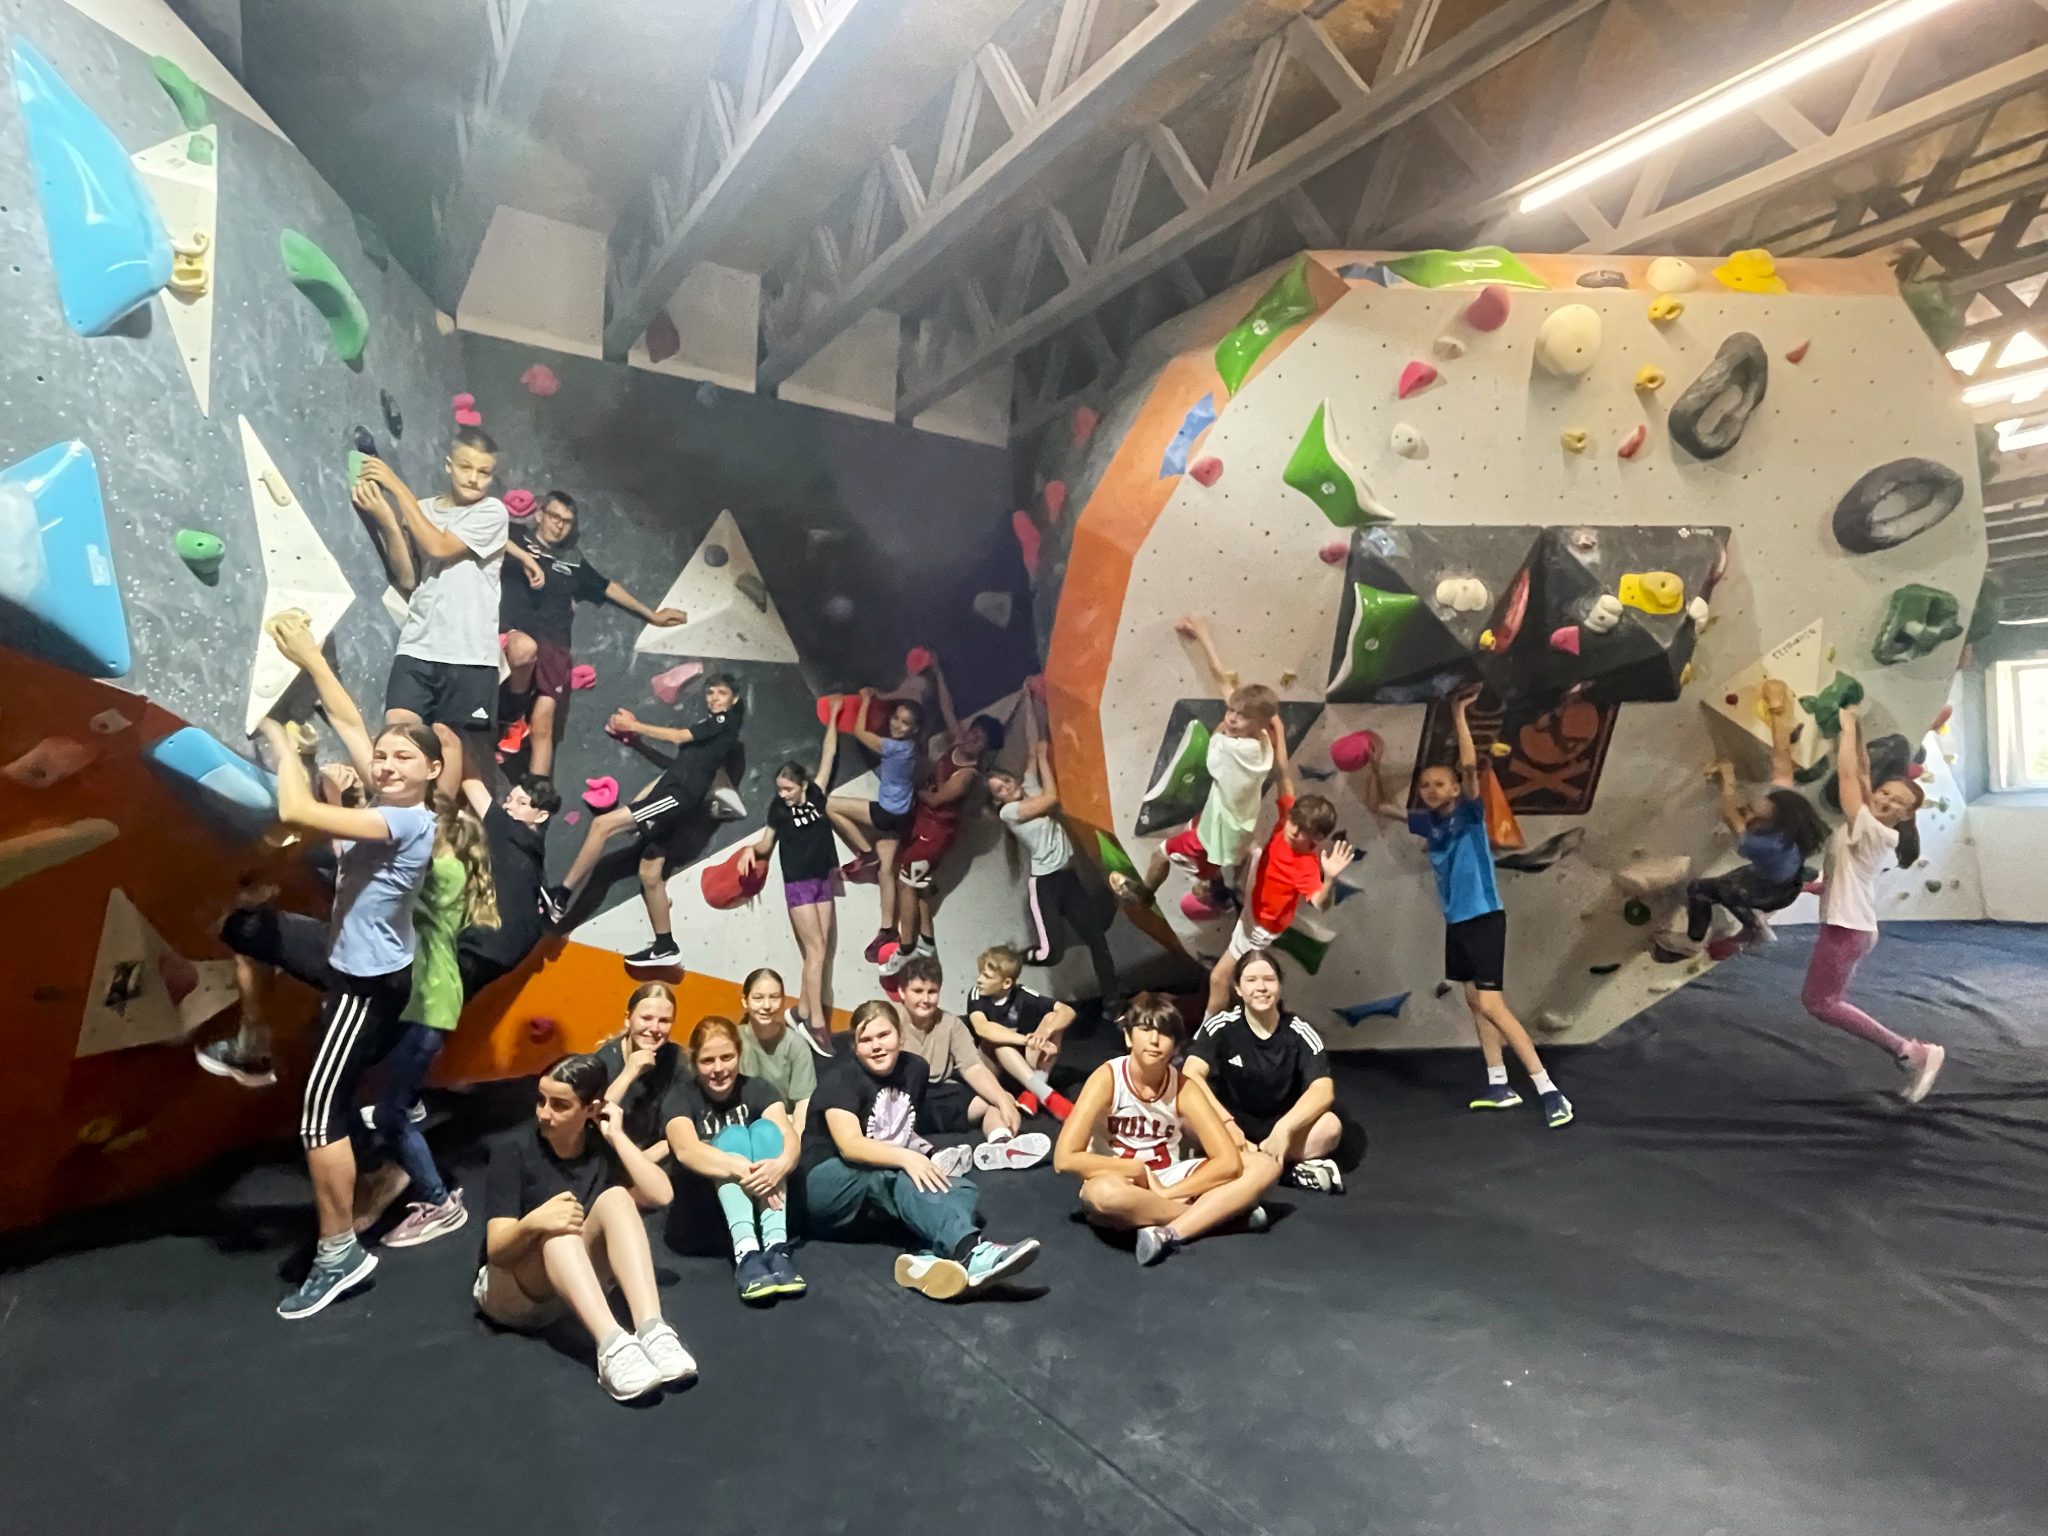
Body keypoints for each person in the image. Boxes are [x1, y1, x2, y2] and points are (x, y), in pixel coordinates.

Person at [195, 613, 438, 1319]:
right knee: (248, 925)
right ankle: (253, 1042)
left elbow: (296, 804)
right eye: (383, 758)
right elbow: (350, 717)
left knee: (315, 1116)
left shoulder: (404, 821)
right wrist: (309, 657)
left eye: (403, 760)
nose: (386, 765)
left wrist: (279, 735)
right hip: (341, 956)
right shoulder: (390, 792)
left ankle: (339, 1253)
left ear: (430, 773)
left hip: (365, 988)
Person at [1366, 687, 1573, 1128]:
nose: (1432, 789)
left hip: (1483, 919)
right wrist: (1373, 764)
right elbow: (1379, 806)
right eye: (1426, 785)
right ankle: (1499, 1084)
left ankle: (1549, 1090)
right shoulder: (1428, 821)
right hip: (1457, 923)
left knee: (1494, 1006)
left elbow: (1467, 763)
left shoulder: (1471, 812)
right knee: (1476, 1004)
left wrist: (1459, 713)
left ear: (1457, 788)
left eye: (1440, 783)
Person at [474, 1054, 696, 1402]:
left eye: (560, 1105)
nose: (544, 1113)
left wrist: (618, 1136)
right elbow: (497, 1250)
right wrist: (535, 1222)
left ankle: (651, 1329)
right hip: (512, 1292)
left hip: (571, 1288)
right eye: (541, 1100)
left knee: (618, 1198)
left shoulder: (598, 1145)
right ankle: (611, 1346)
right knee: (560, 1227)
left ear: (591, 1109)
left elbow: (661, 1194)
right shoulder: (514, 1150)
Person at [801, 1000, 1042, 1300]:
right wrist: (908, 1158)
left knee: (960, 1188)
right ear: (854, 1046)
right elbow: (850, 1146)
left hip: (871, 1190)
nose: (876, 1046)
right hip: (824, 1184)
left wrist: (921, 1153)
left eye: (883, 1036)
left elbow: (899, 1124)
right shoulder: (840, 1080)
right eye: (866, 1040)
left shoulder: (915, 1069)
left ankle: (926, 1259)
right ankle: (971, 1252)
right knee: (898, 1178)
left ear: (900, 1036)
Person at [355, 762, 502, 1248]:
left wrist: (351, 802)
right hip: (426, 1000)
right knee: (374, 1100)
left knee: (392, 1113)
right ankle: (392, 1164)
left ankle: (439, 1201)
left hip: (430, 1003)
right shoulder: (446, 866)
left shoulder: (440, 870)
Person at [539, 672, 746, 972]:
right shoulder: (711, 732)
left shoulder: (724, 724)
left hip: (677, 799)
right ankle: (665, 945)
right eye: (711, 692)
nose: (714, 698)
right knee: (650, 873)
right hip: (673, 795)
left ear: (734, 699)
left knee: (602, 826)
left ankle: (561, 897)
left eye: (722, 693)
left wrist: (633, 726)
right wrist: (637, 745)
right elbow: (675, 767)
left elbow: (678, 738)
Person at [1053, 993, 1278, 1266]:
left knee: (1264, 1166)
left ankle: (1171, 1231)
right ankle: (1217, 1218)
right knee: (1103, 1196)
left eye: (1165, 1033)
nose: (1154, 1040)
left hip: (1169, 1179)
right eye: (1145, 1030)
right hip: (1119, 1180)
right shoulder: (1107, 1078)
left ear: (1175, 1046)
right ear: (1128, 1037)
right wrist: (1134, 1169)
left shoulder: (1184, 1087)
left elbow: (1228, 1161)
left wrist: (1169, 1192)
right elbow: (1064, 1158)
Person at [1801, 706, 1944, 1101]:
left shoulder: (1875, 830)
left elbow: (1849, 776)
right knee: (1822, 1001)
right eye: (1884, 793)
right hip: (1851, 926)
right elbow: (1862, 773)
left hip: (1848, 931)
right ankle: (1910, 1053)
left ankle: (1911, 1052)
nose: (1885, 800)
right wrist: (1857, 724)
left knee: (1821, 1003)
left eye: (1897, 801)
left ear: (1907, 814)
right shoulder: (1866, 824)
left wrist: (1847, 728)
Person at [497, 489, 687, 778]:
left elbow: (607, 587)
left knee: (545, 724)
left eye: (567, 521)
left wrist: (651, 615)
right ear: (539, 514)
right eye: (554, 517)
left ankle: (538, 799)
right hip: (513, 634)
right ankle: (512, 716)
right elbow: (477, 533)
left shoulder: (574, 562)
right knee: (523, 650)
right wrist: (524, 557)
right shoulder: (515, 535)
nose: (559, 525)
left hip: (555, 646)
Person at [352, 431, 507, 747]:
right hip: (418, 644)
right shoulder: (420, 508)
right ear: (449, 466)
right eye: (466, 467)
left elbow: (438, 547)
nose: (474, 479)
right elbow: (407, 577)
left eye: (484, 472)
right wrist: (389, 522)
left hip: (470, 653)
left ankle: (447, 800)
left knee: (449, 743)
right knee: (398, 729)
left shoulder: (492, 512)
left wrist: (396, 487)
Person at [1119, 615, 1278, 909]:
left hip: (1216, 836)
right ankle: (1215, 884)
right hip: (1234, 831)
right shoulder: (1263, 738)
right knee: (1198, 832)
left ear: (1258, 721)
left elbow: (1217, 734)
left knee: (1161, 852)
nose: (1232, 717)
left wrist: (1224, 726)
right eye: (1232, 711)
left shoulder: (1236, 750)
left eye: (1242, 716)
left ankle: (1144, 894)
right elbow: (1226, 686)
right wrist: (1203, 635)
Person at [1660, 680, 1827, 959]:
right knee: (1733, 884)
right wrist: (1777, 710)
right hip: (1786, 882)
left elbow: (1729, 814)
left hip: (1769, 891)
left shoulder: (1761, 844)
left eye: (1754, 812)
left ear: (1765, 825)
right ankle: (1755, 919)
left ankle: (1702, 939)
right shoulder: (1786, 810)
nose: (1756, 804)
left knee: (1702, 889)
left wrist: (1727, 778)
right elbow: (1782, 755)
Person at [1203, 720, 1353, 1015]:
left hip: (1260, 926)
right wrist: (1279, 733)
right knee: (1252, 847)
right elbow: (1283, 772)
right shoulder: (1288, 820)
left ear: (1317, 838)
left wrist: (1331, 878)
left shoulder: (1306, 866)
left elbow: (1319, 904)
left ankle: (1204, 1040)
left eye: (1302, 832)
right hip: (1253, 901)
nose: (1293, 831)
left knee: (1220, 978)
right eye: (1295, 823)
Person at [985, 688, 1120, 1005]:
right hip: (1046, 885)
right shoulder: (1010, 813)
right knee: (1051, 953)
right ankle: (1010, 958)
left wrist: (1030, 704)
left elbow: (1033, 745)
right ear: (998, 800)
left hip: (1069, 878)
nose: (1007, 787)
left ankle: (1113, 1001)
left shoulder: (1027, 786)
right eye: (1000, 790)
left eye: (1006, 781)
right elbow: (1052, 799)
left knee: (1098, 941)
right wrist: (1045, 760)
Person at [661, 1016, 806, 1301]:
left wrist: (779, 1166)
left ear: (740, 1054)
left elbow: (789, 1139)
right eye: (707, 1061)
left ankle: (776, 1248)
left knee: (766, 1130)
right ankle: (746, 1253)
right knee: (734, 1137)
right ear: (694, 1061)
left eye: (727, 1057)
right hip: (702, 1219)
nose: (718, 1069)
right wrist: (741, 1167)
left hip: (760, 1206)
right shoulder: (679, 1097)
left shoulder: (758, 1088)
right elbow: (686, 1150)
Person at [880, 659, 1003, 976]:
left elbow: (935, 798)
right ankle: (927, 943)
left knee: (906, 885)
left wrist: (908, 784)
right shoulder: (959, 741)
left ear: (986, 750)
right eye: (972, 732)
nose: (970, 739)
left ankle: (906, 949)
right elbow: (948, 709)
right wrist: (937, 672)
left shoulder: (967, 775)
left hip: (934, 836)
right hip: (923, 825)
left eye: (978, 740)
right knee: (917, 886)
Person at [1188, 950, 1347, 1194]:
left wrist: (1284, 1130)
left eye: (1268, 979)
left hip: (1281, 1129)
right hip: (1231, 1127)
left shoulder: (1300, 1031)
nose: (1261, 987)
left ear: (1279, 986)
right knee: (1187, 1120)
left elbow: (1322, 1090)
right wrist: (1226, 1123)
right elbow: (1191, 1075)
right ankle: (1279, 1170)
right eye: (1251, 980)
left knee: (1330, 1126)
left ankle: (1244, 1166)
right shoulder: (1221, 1026)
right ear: (1238, 989)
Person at [735, 719, 840, 1055]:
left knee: (823, 951)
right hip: (797, 883)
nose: (783, 794)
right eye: (780, 789)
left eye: (788, 789)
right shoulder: (778, 809)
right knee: (816, 951)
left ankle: (802, 1012)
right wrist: (749, 851)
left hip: (823, 879)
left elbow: (829, 754)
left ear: (803, 785)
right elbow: (766, 844)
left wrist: (834, 717)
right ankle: (816, 1024)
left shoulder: (818, 794)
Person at [892, 953, 1047, 1169]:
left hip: (942, 1093)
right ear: (901, 992)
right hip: (903, 1097)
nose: (925, 999)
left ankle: (1001, 1145)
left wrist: (1003, 1100)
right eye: (917, 991)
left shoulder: (951, 1023)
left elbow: (973, 1066)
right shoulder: (889, 1021)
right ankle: (932, 1157)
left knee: (1000, 1099)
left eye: (932, 992)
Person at [828, 687, 924, 962]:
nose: (898, 725)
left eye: (906, 723)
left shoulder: (895, 747)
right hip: (903, 814)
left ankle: (864, 853)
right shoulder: (913, 748)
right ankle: (887, 929)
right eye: (897, 718)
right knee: (886, 873)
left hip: (888, 812)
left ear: (914, 729)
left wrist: (867, 701)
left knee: (829, 805)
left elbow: (860, 733)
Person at [454, 773, 559, 998]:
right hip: (509, 951)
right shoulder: (534, 851)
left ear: (541, 816)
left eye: (521, 803)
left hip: (484, 942)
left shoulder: (508, 829)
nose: (509, 807)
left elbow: (470, 782)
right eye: (509, 799)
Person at [964, 944, 1076, 1125]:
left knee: (1051, 1018)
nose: (979, 980)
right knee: (999, 1042)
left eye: (986, 976)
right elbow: (983, 1028)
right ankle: (1046, 1095)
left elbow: (1067, 1011)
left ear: (1006, 983)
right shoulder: (977, 994)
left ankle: (1032, 1092)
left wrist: (1045, 1033)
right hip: (991, 1068)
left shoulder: (1022, 993)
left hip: (1020, 1066)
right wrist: (1027, 1040)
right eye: (980, 973)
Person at [595, 982, 683, 1155]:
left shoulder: (677, 1060)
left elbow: (684, 1127)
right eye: (646, 1018)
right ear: (628, 1019)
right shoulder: (604, 1060)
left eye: (664, 1021)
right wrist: (629, 1072)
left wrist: (641, 1164)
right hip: (607, 1157)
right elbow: (593, 1119)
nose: (655, 1028)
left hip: (657, 1160)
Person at [737, 968, 818, 1128]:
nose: (766, 1006)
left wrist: (796, 1143)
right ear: (745, 1001)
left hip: (783, 1127)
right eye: (758, 998)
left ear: (783, 1000)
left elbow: (803, 1105)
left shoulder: (796, 1044)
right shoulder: (733, 1040)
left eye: (774, 997)